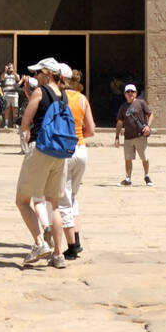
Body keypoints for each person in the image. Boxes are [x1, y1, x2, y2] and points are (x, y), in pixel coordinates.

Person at [16, 58, 72, 269]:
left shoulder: (41, 92)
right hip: (59, 152)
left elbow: (25, 121)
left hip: (40, 148)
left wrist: (25, 132)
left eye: (38, 73)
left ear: (48, 73)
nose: (35, 77)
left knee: (22, 200)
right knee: (54, 204)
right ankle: (59, 254)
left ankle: (40, 243)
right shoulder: (64, 95)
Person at [59, 66, 95, 259]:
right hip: (80, 148)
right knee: (73, 197)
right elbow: (92, 129)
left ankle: (71, 247)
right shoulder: (82, 99)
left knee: (63, 199)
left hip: (65, 150)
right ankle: (78, 240)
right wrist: (79, 135)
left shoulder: (60, 98)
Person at [114, 83, 153, 186]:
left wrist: (148, 126)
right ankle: (128, 178)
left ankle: (147, 176)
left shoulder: (141, 103)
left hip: (140, 135)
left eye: (132, 91)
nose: (130, 93)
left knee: (144, 158)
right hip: (128, 137)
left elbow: (150, 114)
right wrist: (117, 137)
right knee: (128, 159)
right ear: (125, 94)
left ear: (136, 93)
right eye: (128, 92)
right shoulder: (123, 107)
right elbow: (119, 122)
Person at [1, 64, 19, 130]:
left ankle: (16, 124)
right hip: (6, 94)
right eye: (8, 67)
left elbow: (18, 79)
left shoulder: (16, 74)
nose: (9, 69)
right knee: (7, 109)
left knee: (15, 109)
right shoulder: (5, 74)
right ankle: (6, 124)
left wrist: (13, 71)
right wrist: (5, 71)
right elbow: (1, 79)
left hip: (14, 94)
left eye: (10, 67)